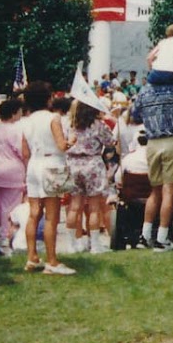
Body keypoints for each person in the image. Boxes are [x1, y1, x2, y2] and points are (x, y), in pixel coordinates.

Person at [129, 73, 173, 252]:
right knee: (169, 190)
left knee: (155, 191)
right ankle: (162, 238)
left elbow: (134, 114)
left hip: (153, 142)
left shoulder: (144, 93)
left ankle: (145, 236)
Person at [19, 81, 75, 275]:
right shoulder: (53, 118)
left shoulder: (25, 121)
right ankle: (52, 261)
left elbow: (24, 152)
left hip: (33, 165)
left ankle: (32, 257)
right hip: (51, 164)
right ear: (48, 98)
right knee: (52, 216)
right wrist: (71, 141)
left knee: (34, 213)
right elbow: (61, 145)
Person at [64, 98, 114, 254]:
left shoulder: (70, 125)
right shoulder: (98, 125)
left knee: (74, 206)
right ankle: (95, 245)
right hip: (92, 164)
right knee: (94, 207)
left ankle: (72, 244)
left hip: (73, 164)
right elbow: (110, 142)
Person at [0, 97, 29, 256]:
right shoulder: (16, 129)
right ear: (15, 113)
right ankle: (5, 235)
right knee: (10, 206)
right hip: (12, 171)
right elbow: (22, 152)